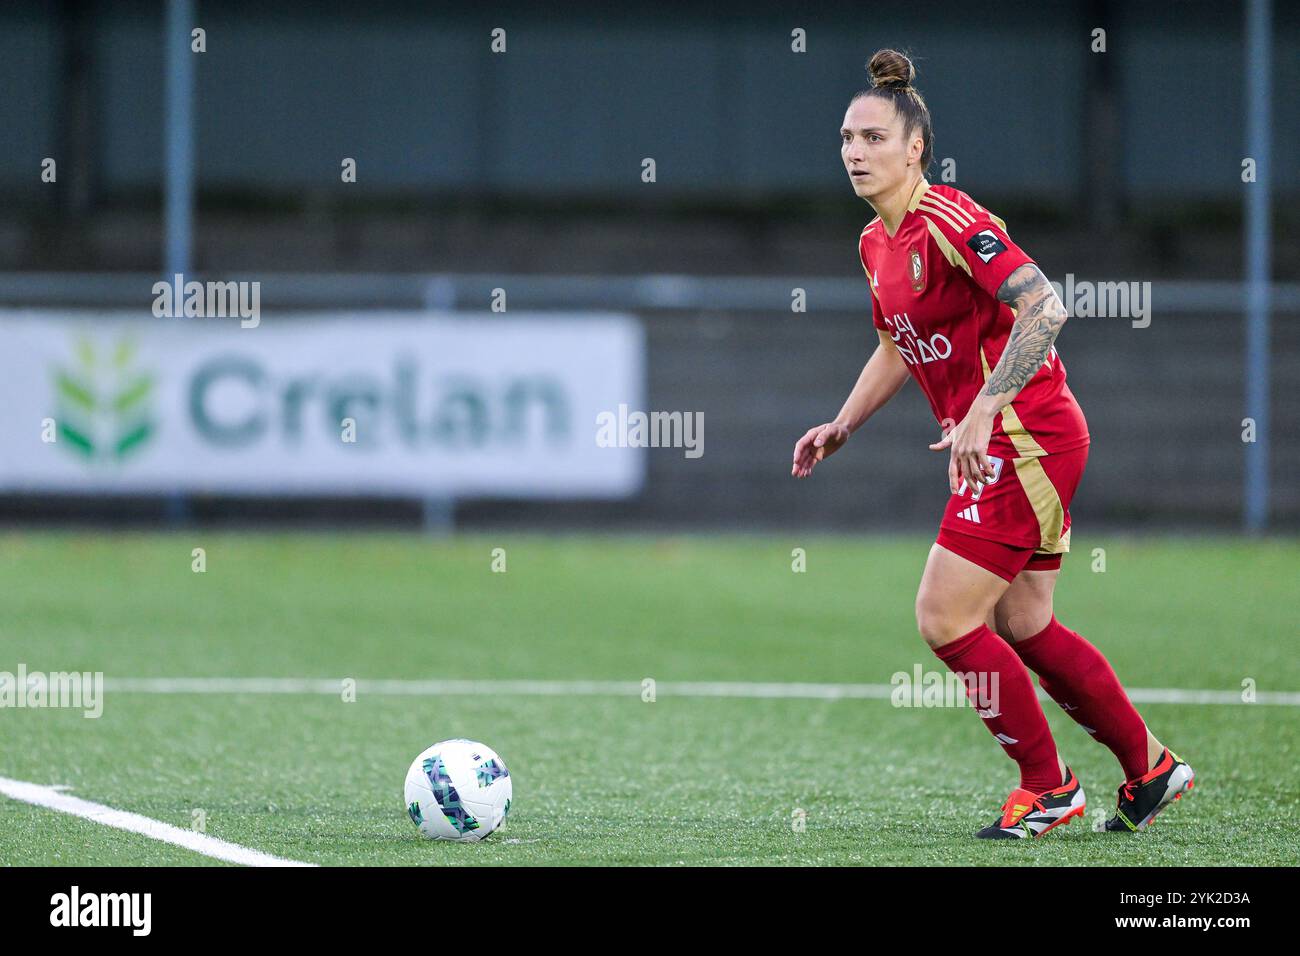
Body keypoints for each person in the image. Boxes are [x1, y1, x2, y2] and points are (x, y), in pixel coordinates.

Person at [792, 49, 1194, 838]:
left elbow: (1046, 306)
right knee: (1025, 624)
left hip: (1024, 435)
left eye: (873, 137)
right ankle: (1149, 768)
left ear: (915, 149)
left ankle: (1049, 789)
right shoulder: (877, 243)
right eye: (846, 137)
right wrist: (843, 422)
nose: (854, 152)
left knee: (943, 617)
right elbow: (896, 346)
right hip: (1010, 437)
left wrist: (982, 409)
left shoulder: (950, 218)